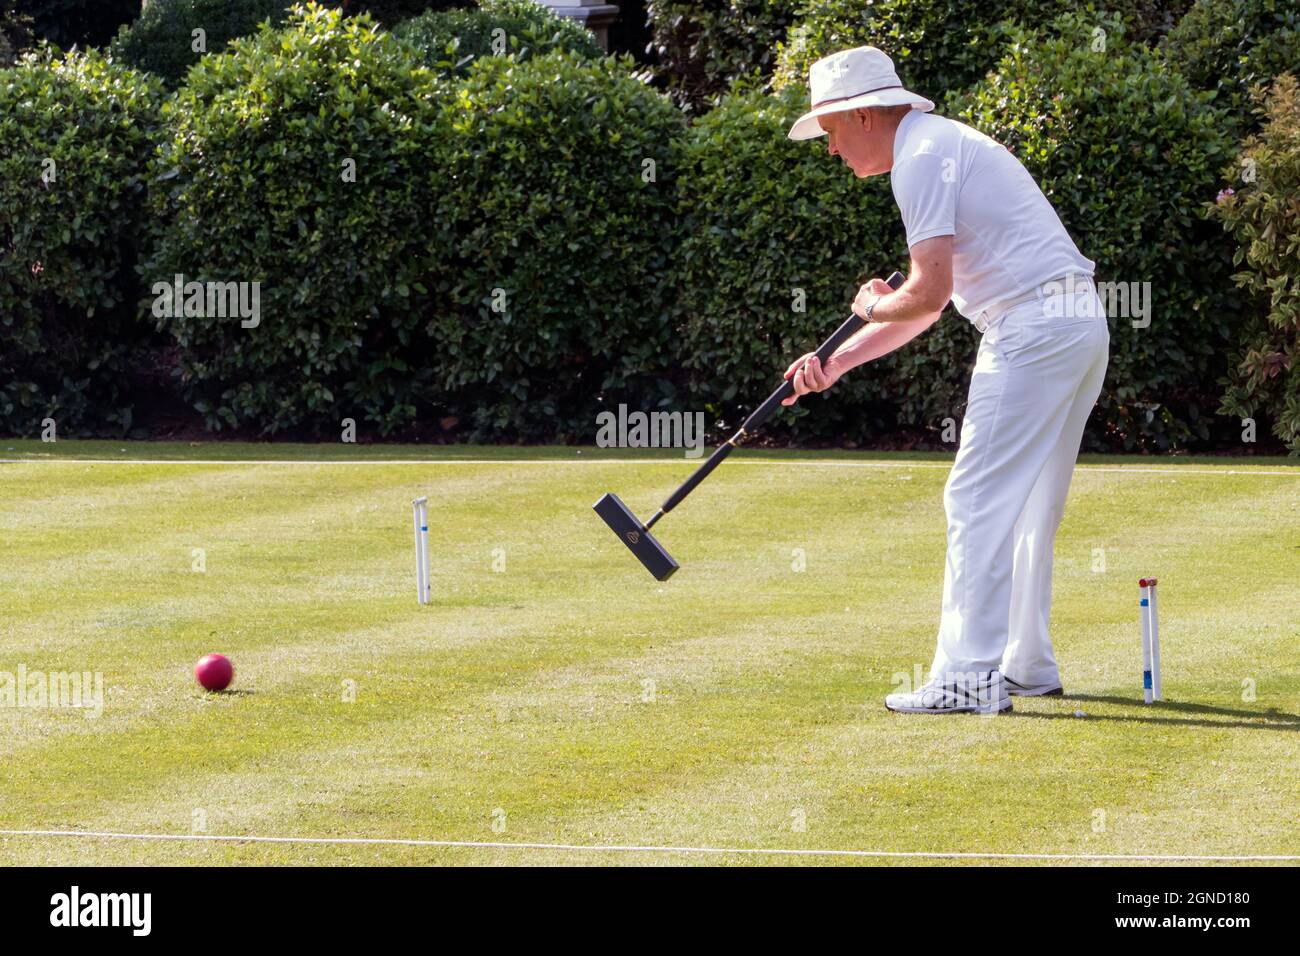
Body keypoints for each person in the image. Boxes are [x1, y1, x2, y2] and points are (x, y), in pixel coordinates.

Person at [781, 46, 1109, 714]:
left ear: (865, 115)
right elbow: (927, 308)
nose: (831, 150)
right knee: (1026, 504)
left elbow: (925, 295)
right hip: (1074, 323)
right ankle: (1025, 664)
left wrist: (870, 304)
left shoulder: (922, 159)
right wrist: (838, 363)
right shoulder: (939, 146)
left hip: (1033, 330)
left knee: (976, 499)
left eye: (832, 132)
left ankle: (966, 675)